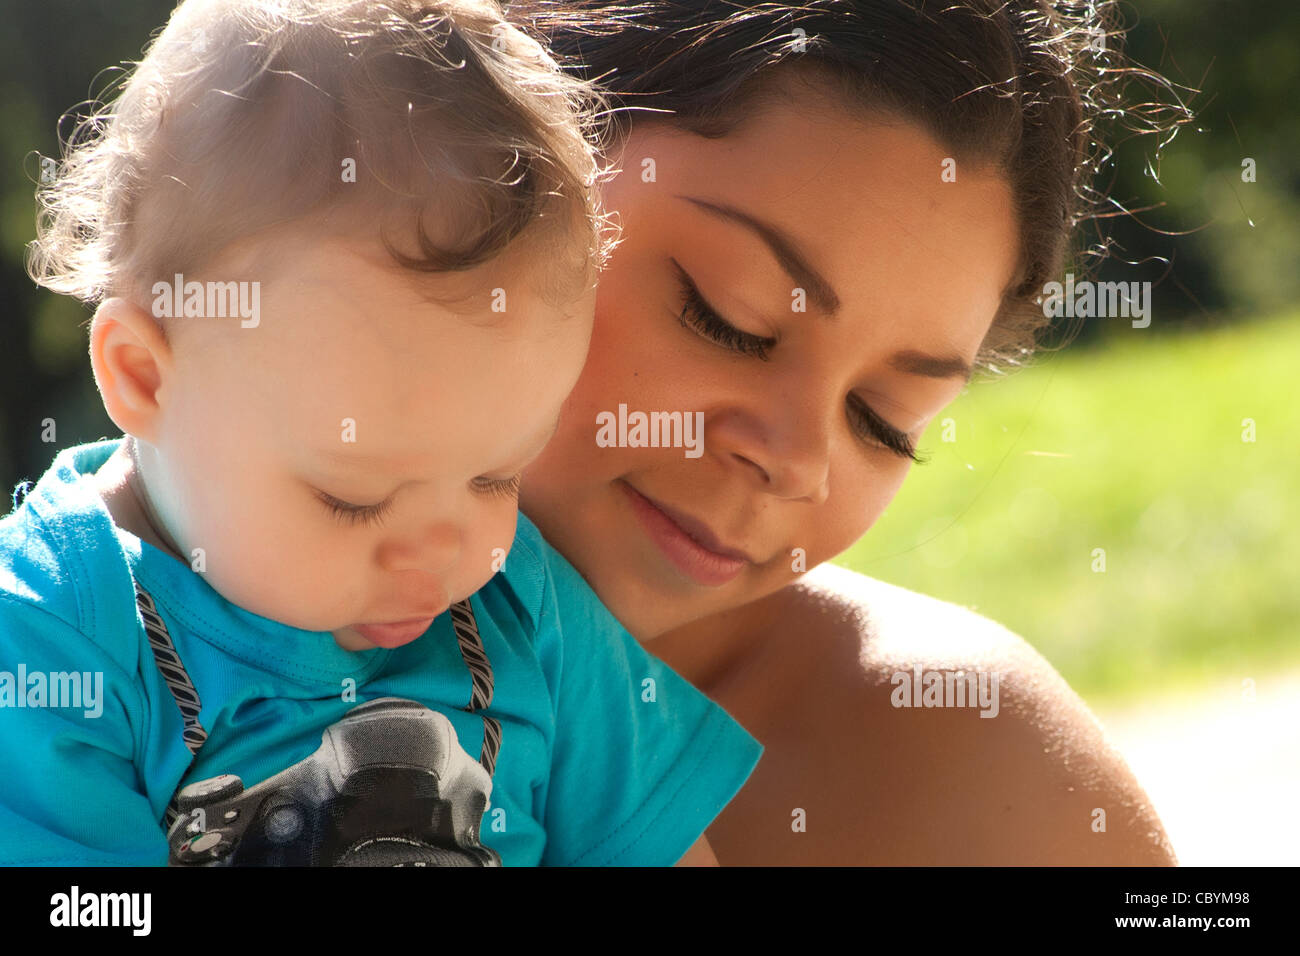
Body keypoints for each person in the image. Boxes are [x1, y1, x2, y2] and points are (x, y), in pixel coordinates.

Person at [0, 0, 760, 866]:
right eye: (353, 498)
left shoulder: (523, 606)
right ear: (145, 377)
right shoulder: (52, 636)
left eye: (496, 477)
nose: (446, 552)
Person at [510, 0, 1185, 864]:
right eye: (727, 319)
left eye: (882, 421)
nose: (795, 461)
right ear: (495, 149)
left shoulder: (985, 781)